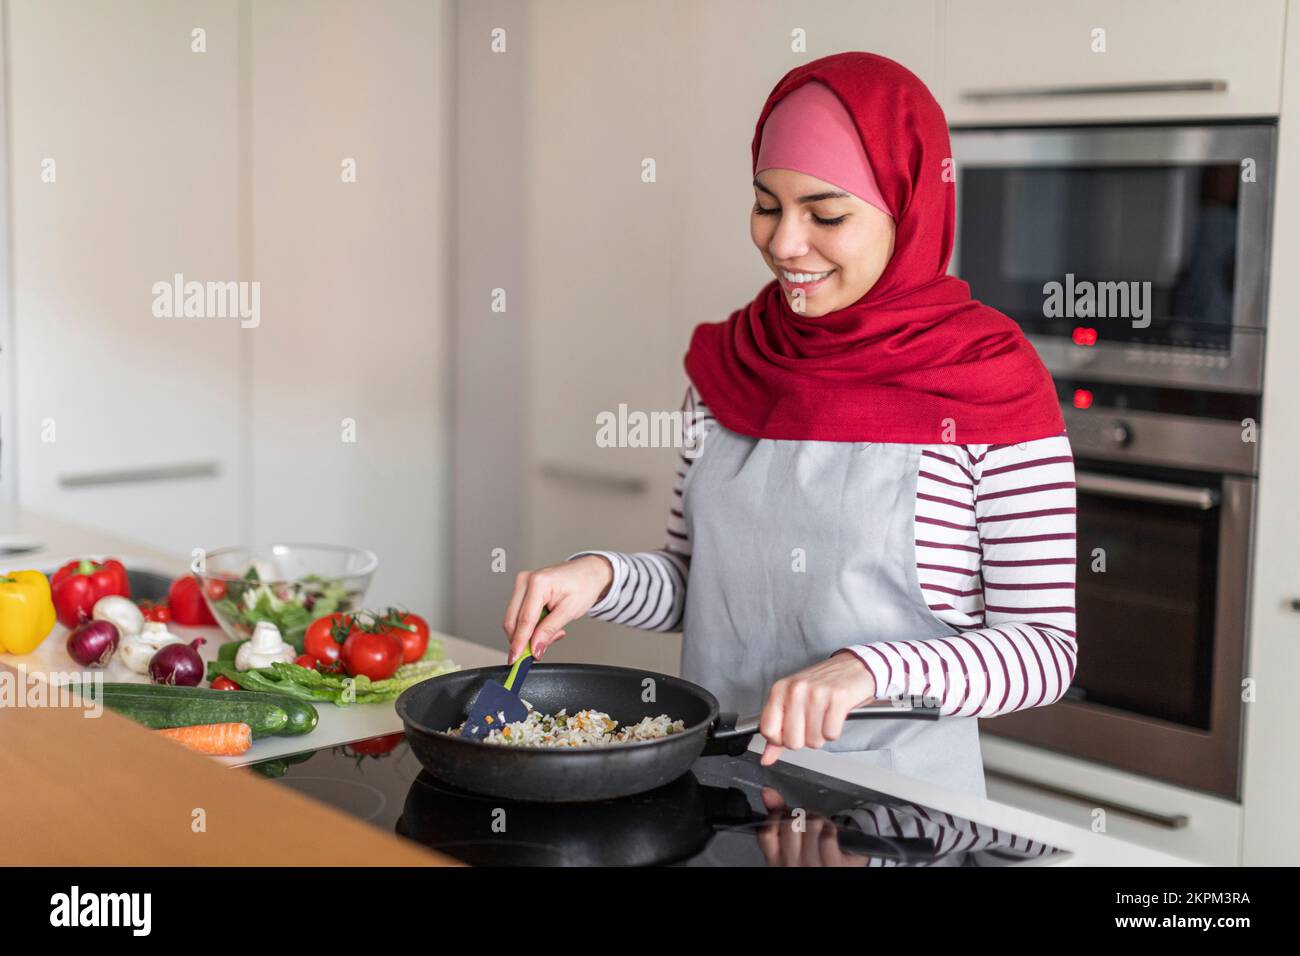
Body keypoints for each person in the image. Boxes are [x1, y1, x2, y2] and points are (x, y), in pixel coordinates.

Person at [502, 52, 1076, 798]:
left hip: (897, 816)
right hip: (712, 794)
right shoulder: (734, 363)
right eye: (767, 205)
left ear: (907, 207)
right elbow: (693, 582)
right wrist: (599, 576)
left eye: (826, 214)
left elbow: (1045, 652)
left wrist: (873, 668)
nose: (783, 244)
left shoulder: (991, 379)